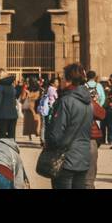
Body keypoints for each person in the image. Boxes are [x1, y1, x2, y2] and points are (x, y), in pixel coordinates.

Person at [43, 62, 94, 190]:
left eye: (63, 78)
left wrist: (49, 144)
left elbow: (56, 133)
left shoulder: (66, 101)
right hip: (83, 157)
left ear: (69, 81)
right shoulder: (88, 102)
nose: (60, 82)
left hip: (65, 159)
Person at [0, 70, 19, 139]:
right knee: (11, 137)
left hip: (2, 116)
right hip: (13, 114)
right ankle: (12, 149)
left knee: (2, 137)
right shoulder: (11, 86)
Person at [37, 75, 58, 144]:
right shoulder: (52, 89)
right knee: (47, 124)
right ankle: (44, 139)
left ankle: (43, 139)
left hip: (44, 109)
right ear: (52, 83)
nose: (58, 83)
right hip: (49, 109)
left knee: (44, 124)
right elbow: (56, 97)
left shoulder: (47, 89)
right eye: (56, 82)